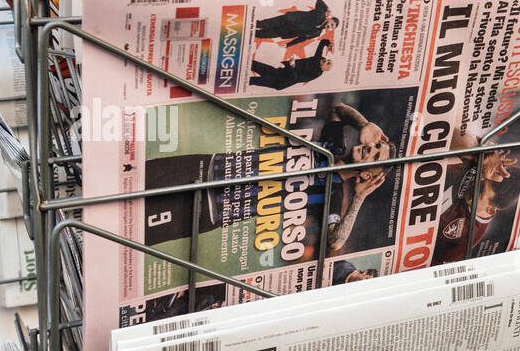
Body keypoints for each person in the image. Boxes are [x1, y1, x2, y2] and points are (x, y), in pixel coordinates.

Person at [142, 101, 394, 255]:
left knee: (135, 228)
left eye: (374, 156)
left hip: (208, 212)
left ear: (368, 174)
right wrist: (365, 124)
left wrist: (359, 197)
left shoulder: (333, 193)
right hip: (203, 167)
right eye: (374, 146)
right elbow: (338, 111)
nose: (369, 148)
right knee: (132, 179)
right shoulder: (333, 145)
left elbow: (335, 242)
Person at [429, 134, 520, 265]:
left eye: (480, 192)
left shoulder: (467, 237)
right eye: (480, 179)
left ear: (490, 210)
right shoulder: (487, 163)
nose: (474, 184)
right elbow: (444, 133)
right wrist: (476, 152)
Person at [249, 37, 333, 90]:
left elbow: (295, 78)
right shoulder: (318, 59)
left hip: (281, 81)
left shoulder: (315, 74)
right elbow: (322, 42)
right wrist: (329, 44)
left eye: (328, 63)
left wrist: (292, 65)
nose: (326, 61)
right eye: (328, 60)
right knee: (252, 64)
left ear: (324, 69)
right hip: (279, 72)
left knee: (251, 80)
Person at [254, 0, 338, 45]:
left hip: (285, 32)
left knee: (262, 35)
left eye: (332, 27)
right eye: (331, 24)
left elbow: (301, 39)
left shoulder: (317, 33)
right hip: (287, 20)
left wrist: (288, 45)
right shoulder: (320, 14)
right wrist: (326, 9)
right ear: (330, 19)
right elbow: (319, 1)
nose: (329, 26)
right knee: (261, 24)